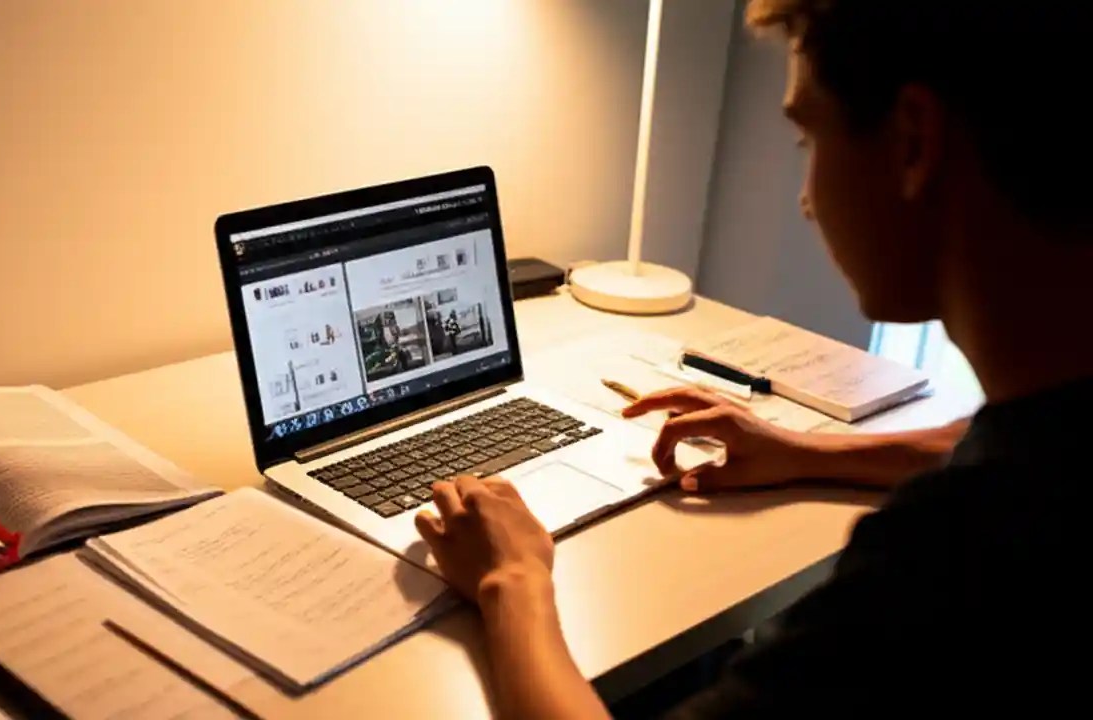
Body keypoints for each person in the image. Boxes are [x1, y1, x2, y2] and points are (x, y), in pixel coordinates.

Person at [415, 1, 1091, 717]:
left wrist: (513, 582)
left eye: (807, 138)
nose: (805, 199)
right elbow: (980, 443)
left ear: (913, 144)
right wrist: (806, 449)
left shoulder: (955, 567)